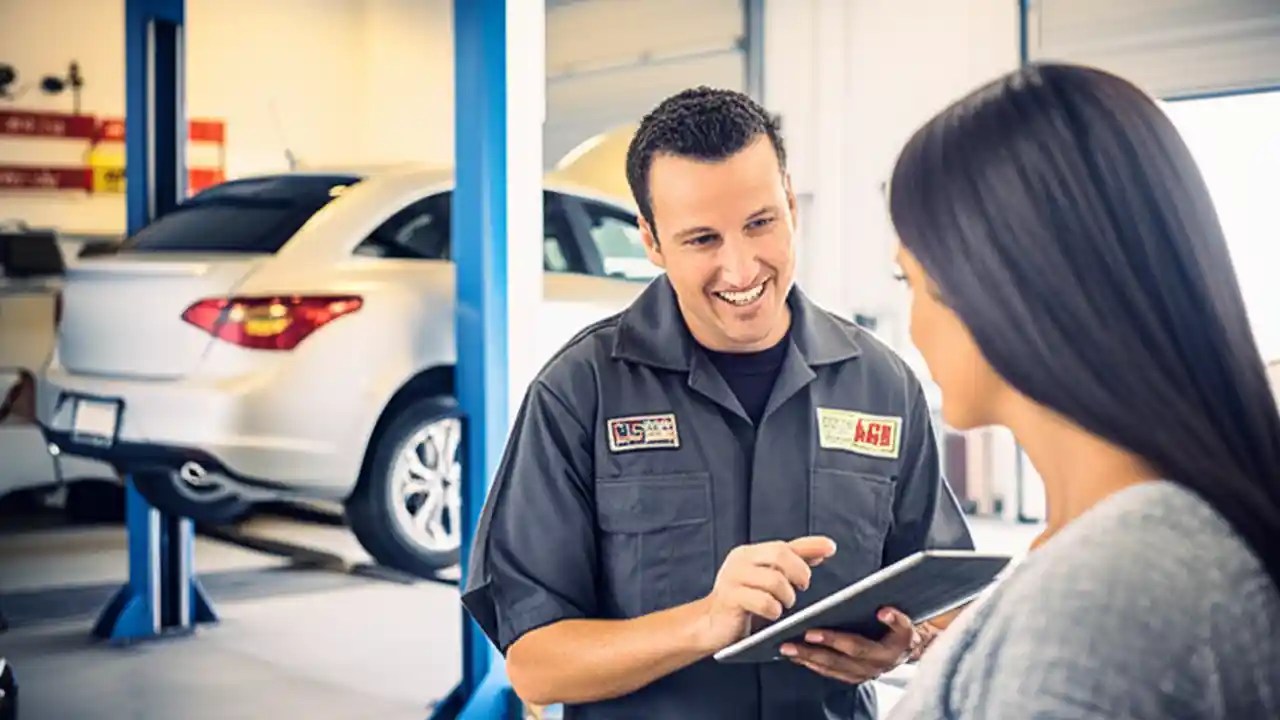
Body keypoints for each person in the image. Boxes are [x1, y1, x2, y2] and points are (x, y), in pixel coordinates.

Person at [461, 86, 975, 719]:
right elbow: (537, 665)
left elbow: (951, 603)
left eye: (761, 223)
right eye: (702, 239)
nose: (741, 270)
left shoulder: (883, 386)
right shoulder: (579, 393)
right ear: (650, 240)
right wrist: (704, 623)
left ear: (791, 204)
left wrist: (911, 643)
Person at [881, 62, 1280, 719]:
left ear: (997, 284)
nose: (913, 323)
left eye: (910, 281)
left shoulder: (1108, 588)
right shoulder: (1119, 553)